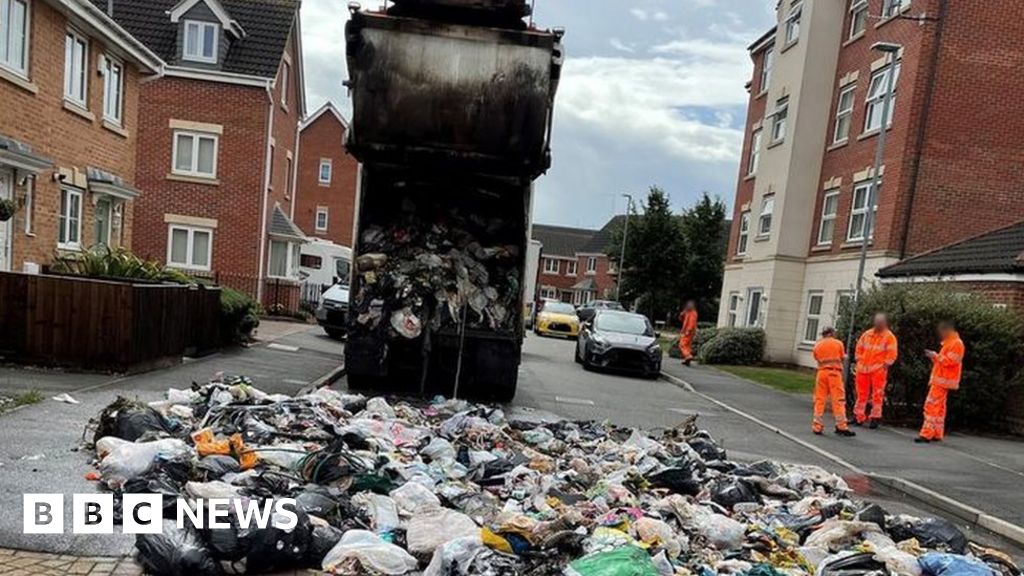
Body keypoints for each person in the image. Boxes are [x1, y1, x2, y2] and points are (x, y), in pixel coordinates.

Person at [916, 321, 965, 444]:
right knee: (939, 408)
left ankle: (926, 434)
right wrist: (935, 357)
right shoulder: (952, 343)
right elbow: (945, 362)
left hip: (942, 380)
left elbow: (950, 362)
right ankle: (936, 433)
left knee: (931, 406)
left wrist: (935, 356)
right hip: (943, 380)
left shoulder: (956, 343)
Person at [854, 313, 898, 428]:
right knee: (861, 394)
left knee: (877, 394)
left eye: (881, 322)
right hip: (863, 369)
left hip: (878, 370)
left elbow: (892, 353)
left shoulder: (889, 337)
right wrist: (858, 360)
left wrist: (886, 364)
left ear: (885, 323)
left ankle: (875, 417)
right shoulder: (867, 334)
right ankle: (858, 416)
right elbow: (859, 348)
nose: (878, 324)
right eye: (877, 321)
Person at [812, 327, 856, 437]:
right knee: (838, 400)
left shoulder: (818, 345)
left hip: (821, 373)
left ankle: (817, 426)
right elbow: (841, 357)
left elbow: (816, 357)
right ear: (831, 333)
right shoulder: (838, 343)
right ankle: (841, 426)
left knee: (819, 399)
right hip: (834, 374)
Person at [678, 301, 698, 366]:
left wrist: (688, 331)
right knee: (687, 346)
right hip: (688, 331)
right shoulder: (687, 312)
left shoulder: (693, 313)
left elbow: (692, 323)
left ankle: (688, 356)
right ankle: (687, 360)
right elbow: (681, 319)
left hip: (688, 332)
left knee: (682, 344)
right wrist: (682, 314)